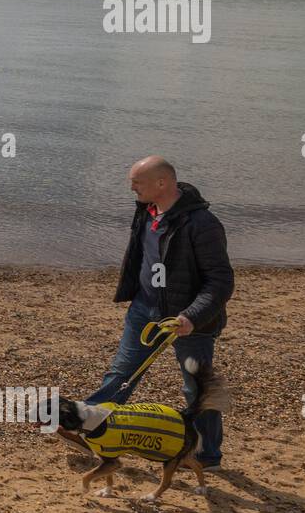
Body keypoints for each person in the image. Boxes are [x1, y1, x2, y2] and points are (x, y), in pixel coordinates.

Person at [85, 156, 234, 468]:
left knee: (196, 388)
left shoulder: (202, 224)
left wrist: (191, 317)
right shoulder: (146, 210)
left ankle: (207, 455)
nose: (132, 188)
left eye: (137, 183)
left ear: (162, 183)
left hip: (191, 321)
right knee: (121, 372)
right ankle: (86, 425)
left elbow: (220, 282)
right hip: (144, 309)